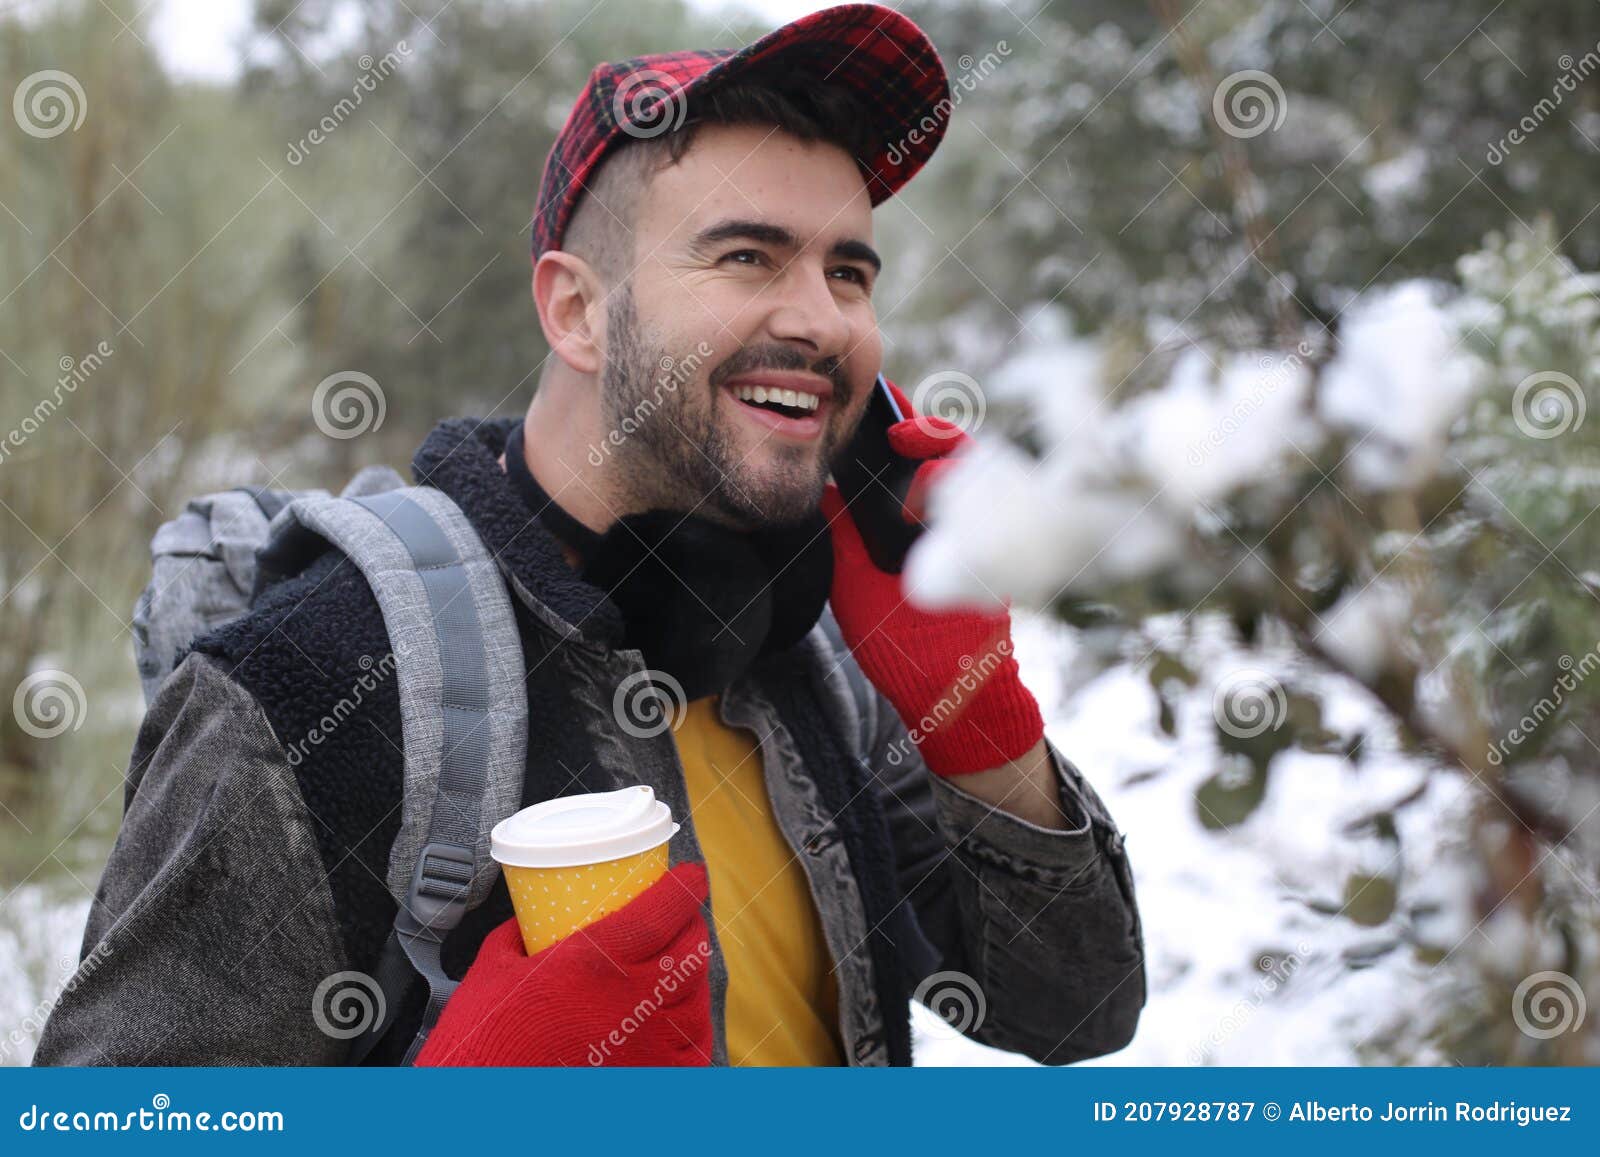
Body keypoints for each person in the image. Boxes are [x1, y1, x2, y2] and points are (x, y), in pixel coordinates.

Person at [35, 2, 1144, 1068]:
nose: (819, 318)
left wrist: (979, 726)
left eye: (847, 269)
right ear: (574, 310)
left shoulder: (815, 650)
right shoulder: (313, 681)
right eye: (747, 256)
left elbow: (1076, 1011)